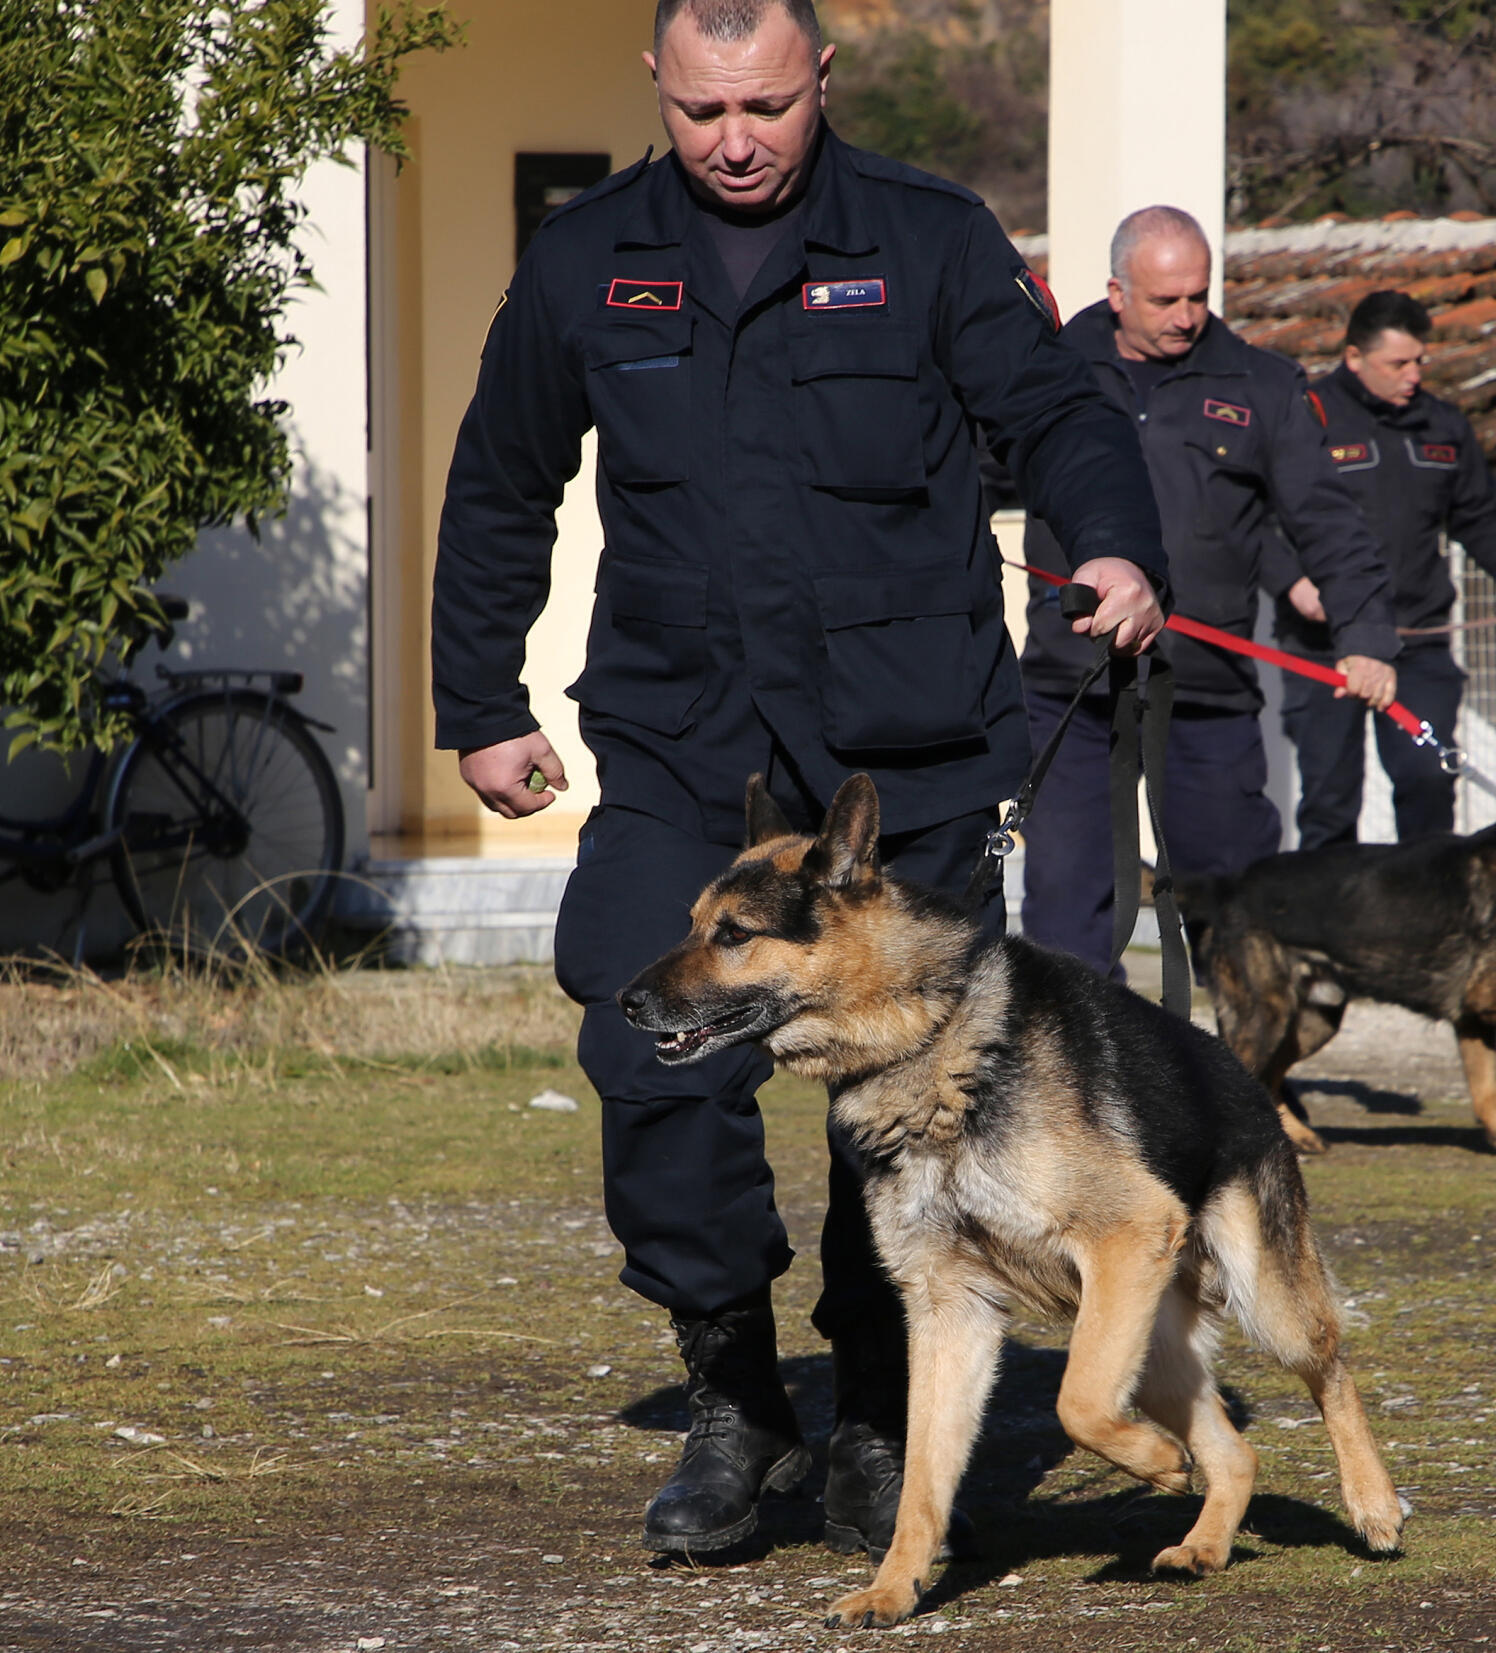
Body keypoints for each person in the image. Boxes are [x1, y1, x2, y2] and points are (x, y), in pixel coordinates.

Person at [429, 0, 1167, 1562]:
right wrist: (478, 701)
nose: (736, 139)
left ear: (821, 77)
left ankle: (885, 1403)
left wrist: (1110, 540)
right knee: (646, 1056)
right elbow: (500, 476)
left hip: (902, 758)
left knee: (905, 1098)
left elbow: (1054, 410)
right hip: (685, 744)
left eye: (764, 104)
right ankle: (734, 1390)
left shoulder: (930, 234)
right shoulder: (588, 256)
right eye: (703, 112)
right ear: (659, 88)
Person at [1015, 206, 1400, 974]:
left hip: (1205, 693)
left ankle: (1245, 1085)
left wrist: (1363, 637)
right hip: (1072, 689)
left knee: (1242, 911)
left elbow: (1329, 523)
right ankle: (1084, 1087)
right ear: (1117, 292)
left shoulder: (1263, 385)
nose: (1188, 317)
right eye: (1166, 300)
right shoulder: (1048, 365)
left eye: (1199, 295)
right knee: (1064, 913)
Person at [1274, 290, 1496, 850]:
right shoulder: (1305, 417)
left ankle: (1425, 931)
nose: (1413, 375)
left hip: (1416, 642)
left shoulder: (1443, 426)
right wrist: (1292, 581)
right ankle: (1326, 932)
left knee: (1427, 784)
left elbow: (1483, 520)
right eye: (1398, 363)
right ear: (1353, 358)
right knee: (1329, 796)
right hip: (1324, 644)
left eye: (1420, 361)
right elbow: (1261, 518)